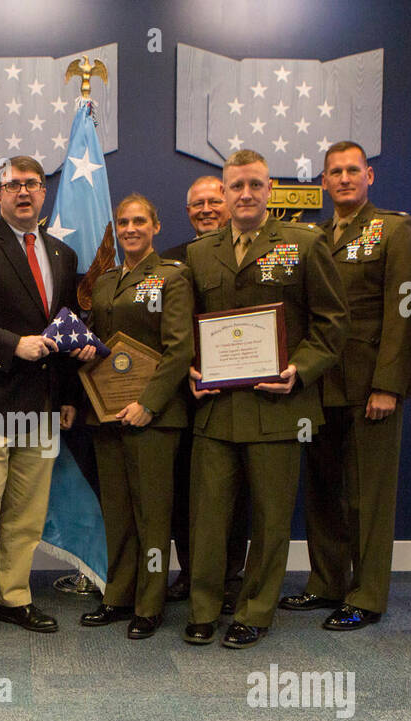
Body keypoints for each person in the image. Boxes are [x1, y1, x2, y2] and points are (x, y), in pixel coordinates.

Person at [184, 149, 347, 648]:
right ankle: (204, 607)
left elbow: (332, 323)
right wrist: (190, 367)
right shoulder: (199, 253)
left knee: (271, 518)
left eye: (256, 184)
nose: (246, 194)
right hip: (216, 409)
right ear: (224, 192)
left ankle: (254, 611)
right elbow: (186, 325)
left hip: (278, 407)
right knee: (208, 518)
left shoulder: (304, 243)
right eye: (237, 186)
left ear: (270, 189)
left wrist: (300, 370)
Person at [0, 155, 95, 655]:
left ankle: (14, 597)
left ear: (44, 192)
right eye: (13, 185)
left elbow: (64, 327)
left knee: (26, 515)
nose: (23, 192)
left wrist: (67, 396)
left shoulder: (63, 254)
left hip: (42, 405)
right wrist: (14, 344)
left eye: (32, 184)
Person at [280, 141, 411, 630]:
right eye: (335, 172)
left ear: (369, 176)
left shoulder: (394, 229)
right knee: (323, 489)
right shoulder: (314, 236)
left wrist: (389, 384)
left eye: (352, 170)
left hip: (370, 384)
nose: (344, 179)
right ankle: (326, 582)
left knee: (368, 495)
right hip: (319, 383)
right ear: (323, 181)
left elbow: (409, 310)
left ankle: (366, 594)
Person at [80, 195, 193, 639]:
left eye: (139, 221)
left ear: (156, 226)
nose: (130, 228)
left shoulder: (173, 277)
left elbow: (180, 348)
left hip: (154, 417)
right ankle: (118, 595)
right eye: (124, 222)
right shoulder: (106, 281)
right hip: (108, 413)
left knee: (152, 515)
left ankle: (150, 603)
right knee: (118, 512)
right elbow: (104, 343)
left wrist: (148, 403)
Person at [162, 175, 248, 610]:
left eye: (215, 200)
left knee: (234, 489)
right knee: (182, 486)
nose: (207, 209)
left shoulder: (247, 255)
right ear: (187, 211)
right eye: (198, 204)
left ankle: (230, 576)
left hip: (237, 389)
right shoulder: (169, 261)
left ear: (230, 203)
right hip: (183, 391)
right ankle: (190, 571)